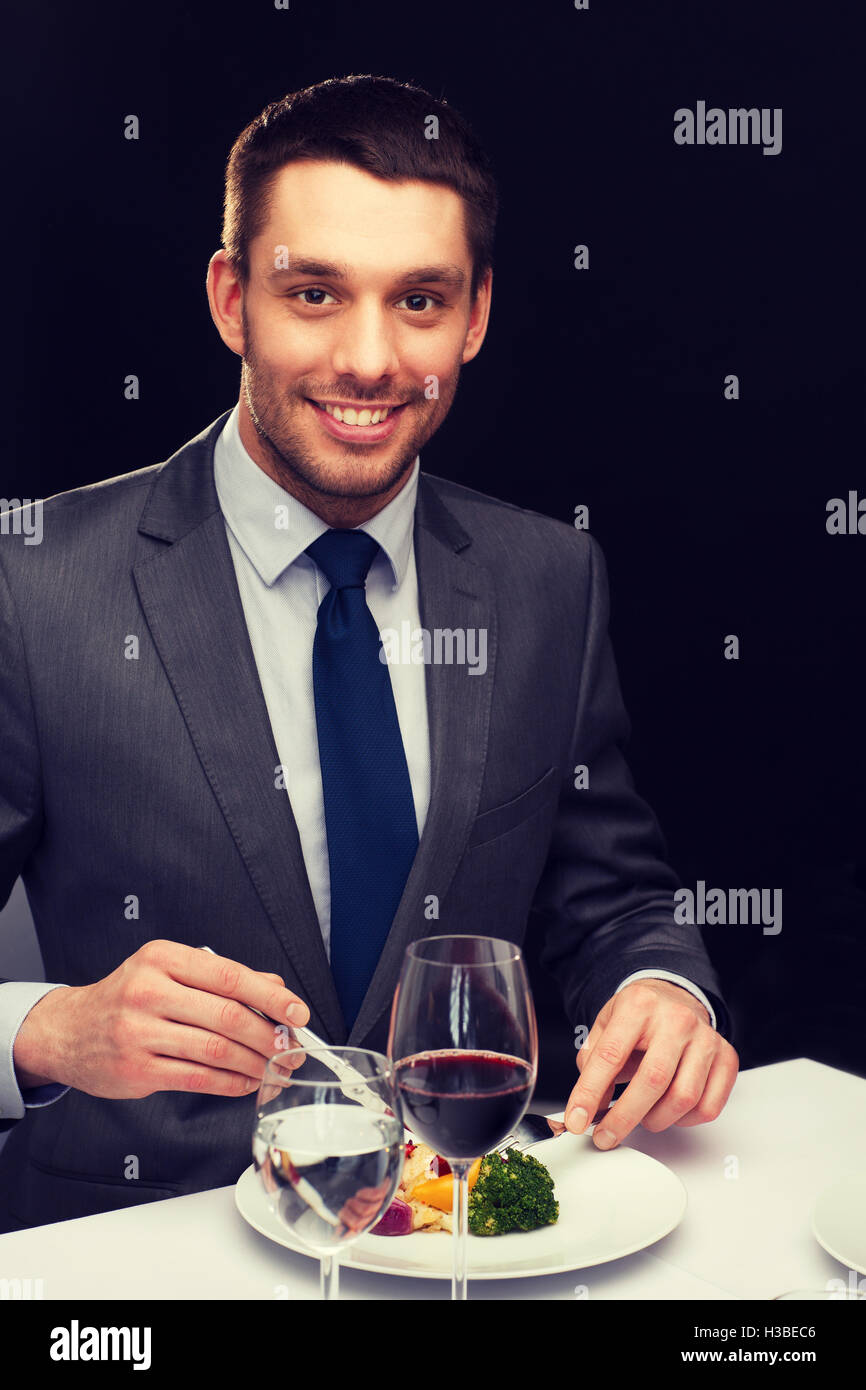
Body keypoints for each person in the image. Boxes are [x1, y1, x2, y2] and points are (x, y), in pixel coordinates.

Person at [0, 75, 738, 1231]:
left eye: (419, 301)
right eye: (313, 293)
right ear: (231, 299)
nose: (367, 358)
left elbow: (608, 896)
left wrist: (656, 989)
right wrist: (43, 1032)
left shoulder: (548, 579)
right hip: (138, 1256)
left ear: (475, 315)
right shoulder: (30, 580)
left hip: (467, 1243)